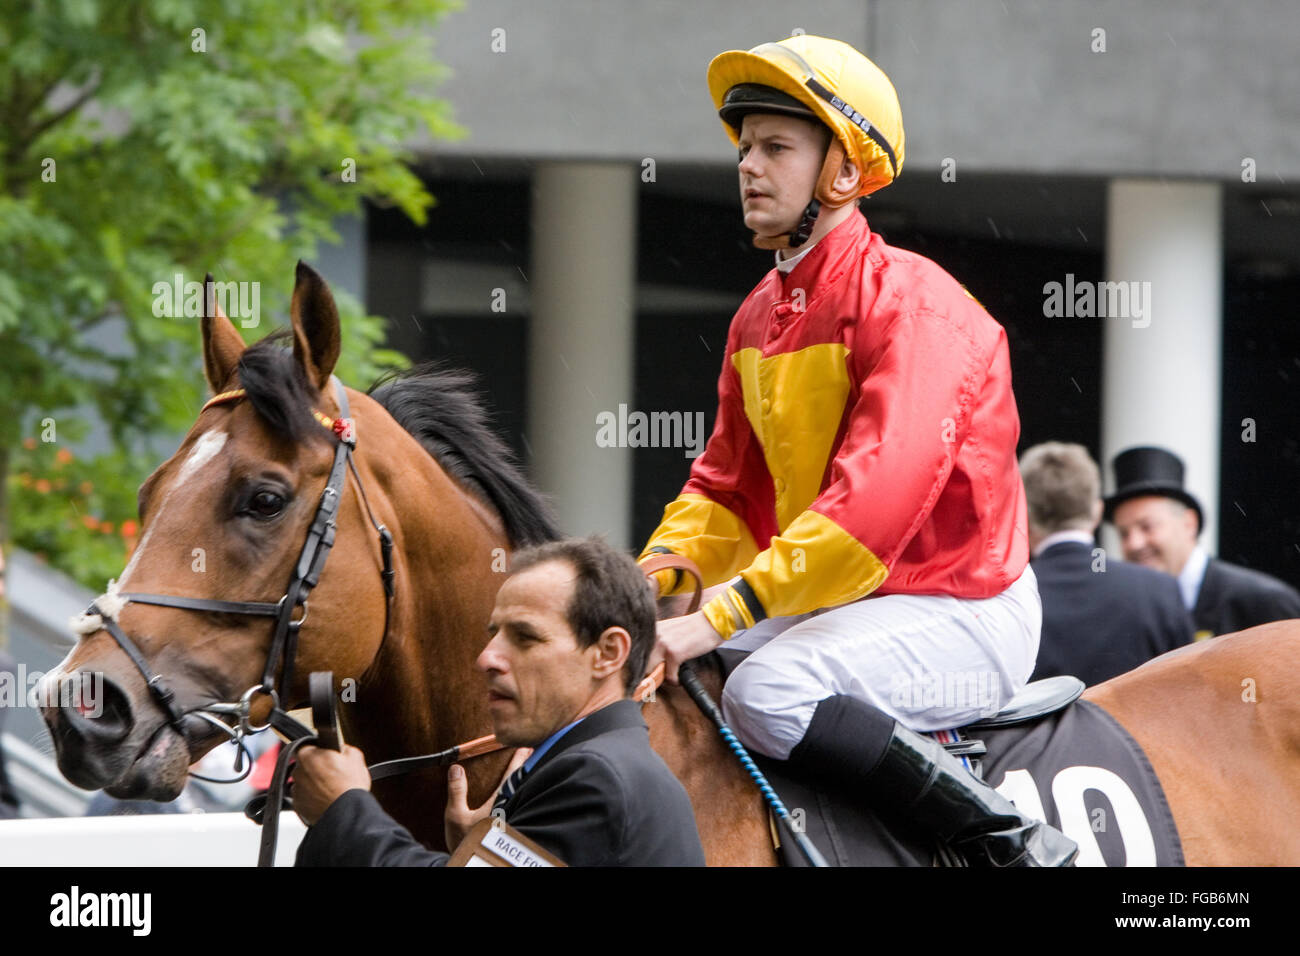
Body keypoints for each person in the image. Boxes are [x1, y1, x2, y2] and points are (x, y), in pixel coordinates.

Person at [638, 35, 1075, 867]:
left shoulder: (916, 304)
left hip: (964, 605)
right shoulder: (757, 318)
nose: (748, 166)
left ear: (842, 170)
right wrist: (649, 582)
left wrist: (723, 612)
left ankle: (1007, 839)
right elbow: (725, 491)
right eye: (744, 147)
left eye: (776, 148)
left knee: (768, 691)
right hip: (850, 600)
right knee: (695, 680)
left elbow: (867, 514)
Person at [293, 536, 706, 867]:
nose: (486, 657)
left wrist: (343, 809)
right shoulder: (606, 764)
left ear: (608, 653)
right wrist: (476, 854)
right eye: (494, 633)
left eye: (525, 637)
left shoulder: (597, 778)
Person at [1020, 442, 1193, 686]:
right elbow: (1187, 689)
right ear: (1097, 511)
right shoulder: (1158, 589)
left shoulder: (1011, 597)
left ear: (1025, 515)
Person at [1106, 445, 1300, 639]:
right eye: (1123, 534)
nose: (1133, 544)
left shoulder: (1263, 602)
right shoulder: (1124, 611)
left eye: (1147, 527)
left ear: (1189, 524)